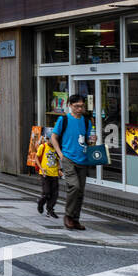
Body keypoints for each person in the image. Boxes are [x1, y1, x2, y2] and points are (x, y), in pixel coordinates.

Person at [50, 93, 92, 231]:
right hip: (68, 158)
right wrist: (60, 154)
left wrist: (92, 140)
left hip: (83, 159)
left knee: (80, 191)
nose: (79, 109)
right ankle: (68, 216)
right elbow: (53, 138)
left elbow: (88, 140)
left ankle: (75, 219)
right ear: (70, 105)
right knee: (74, 186)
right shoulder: (64, 120)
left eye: (81, 106)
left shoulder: (86, 121)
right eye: (76, 106)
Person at [35, 131, 61, 218]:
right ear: (48, 139)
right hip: (44, 174)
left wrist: (59, 170)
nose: (54, 142)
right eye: (52, 140)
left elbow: (57, 160)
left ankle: (50, 210)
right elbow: (36, 157)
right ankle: (40, 203)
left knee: (54, 194)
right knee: (46, 192)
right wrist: (41, 168)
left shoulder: (56, 148)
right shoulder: (43, 146)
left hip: (54, 174)